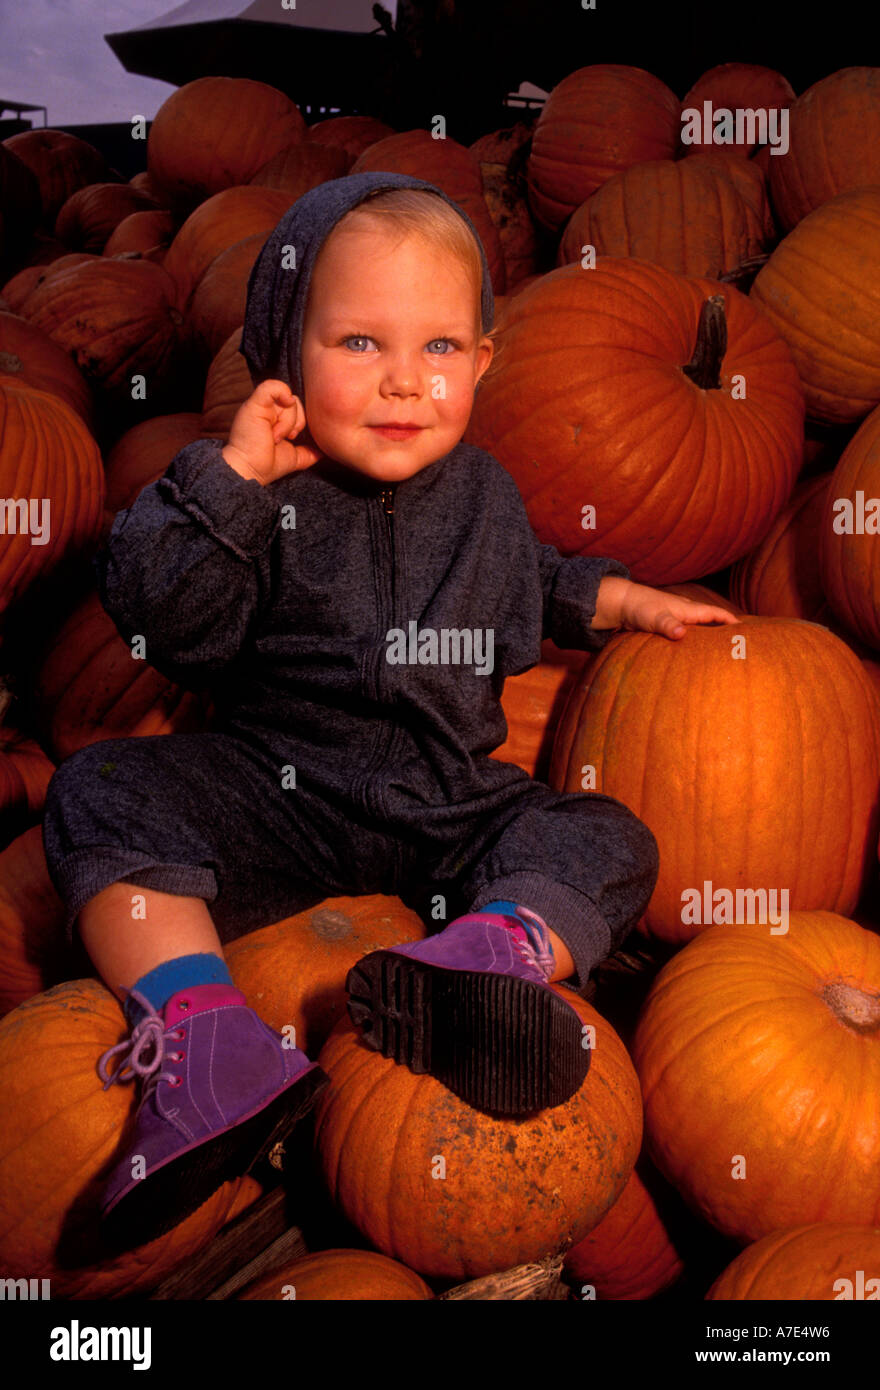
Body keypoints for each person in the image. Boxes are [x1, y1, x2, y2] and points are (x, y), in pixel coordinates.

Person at [42, 171, 738, 1252]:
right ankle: (204, 1032)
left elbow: (536, 576)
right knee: (102, 788)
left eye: (439, 350)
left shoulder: (487, 497)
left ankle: (483, 955)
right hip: (277, 794)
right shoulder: (252, 493)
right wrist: (231, 477)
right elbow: (159, 615)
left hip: (448, 807)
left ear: (484, 362)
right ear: (286, 354)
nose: (404, 383)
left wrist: (626, 598)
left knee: (607, 834)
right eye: (359, 343)